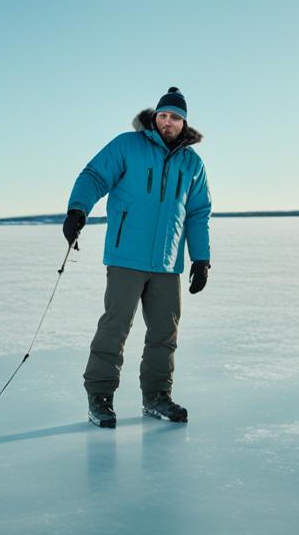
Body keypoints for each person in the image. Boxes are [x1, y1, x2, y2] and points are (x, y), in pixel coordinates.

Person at [63, 87, 211, 428]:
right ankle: (100, 398)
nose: (168, 122)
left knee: (164, 333)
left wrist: (200, 259)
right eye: (163, 115)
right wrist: (77, 210)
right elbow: (94, 176)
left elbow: (198, 212)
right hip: (126, 257)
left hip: (167, 262)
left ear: (184, 122)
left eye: (175, 117)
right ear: (154, 117)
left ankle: (157, 397)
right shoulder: (127, 146)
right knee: (115, 328)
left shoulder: (192, 163)